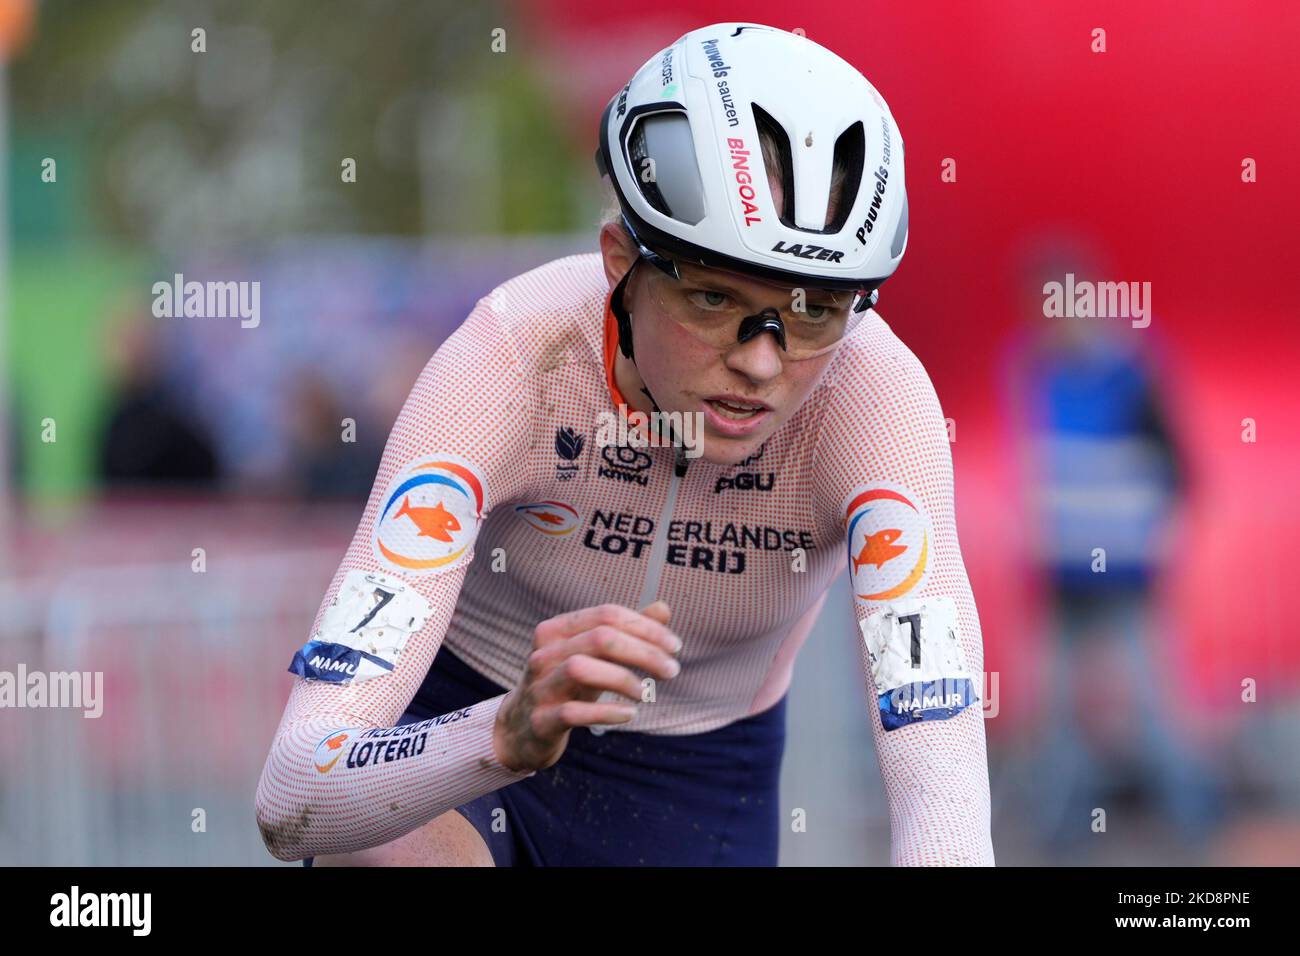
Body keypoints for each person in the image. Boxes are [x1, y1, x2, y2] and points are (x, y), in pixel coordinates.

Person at [255, 21, 994, 866]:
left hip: (698, 781)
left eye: (813, 312)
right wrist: (503, 730)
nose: (760, 362)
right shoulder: (516, 358)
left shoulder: (874, 399)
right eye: (714, 300)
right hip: (461, 732)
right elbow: (293, 793)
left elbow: (946, 807)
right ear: (619, 262)